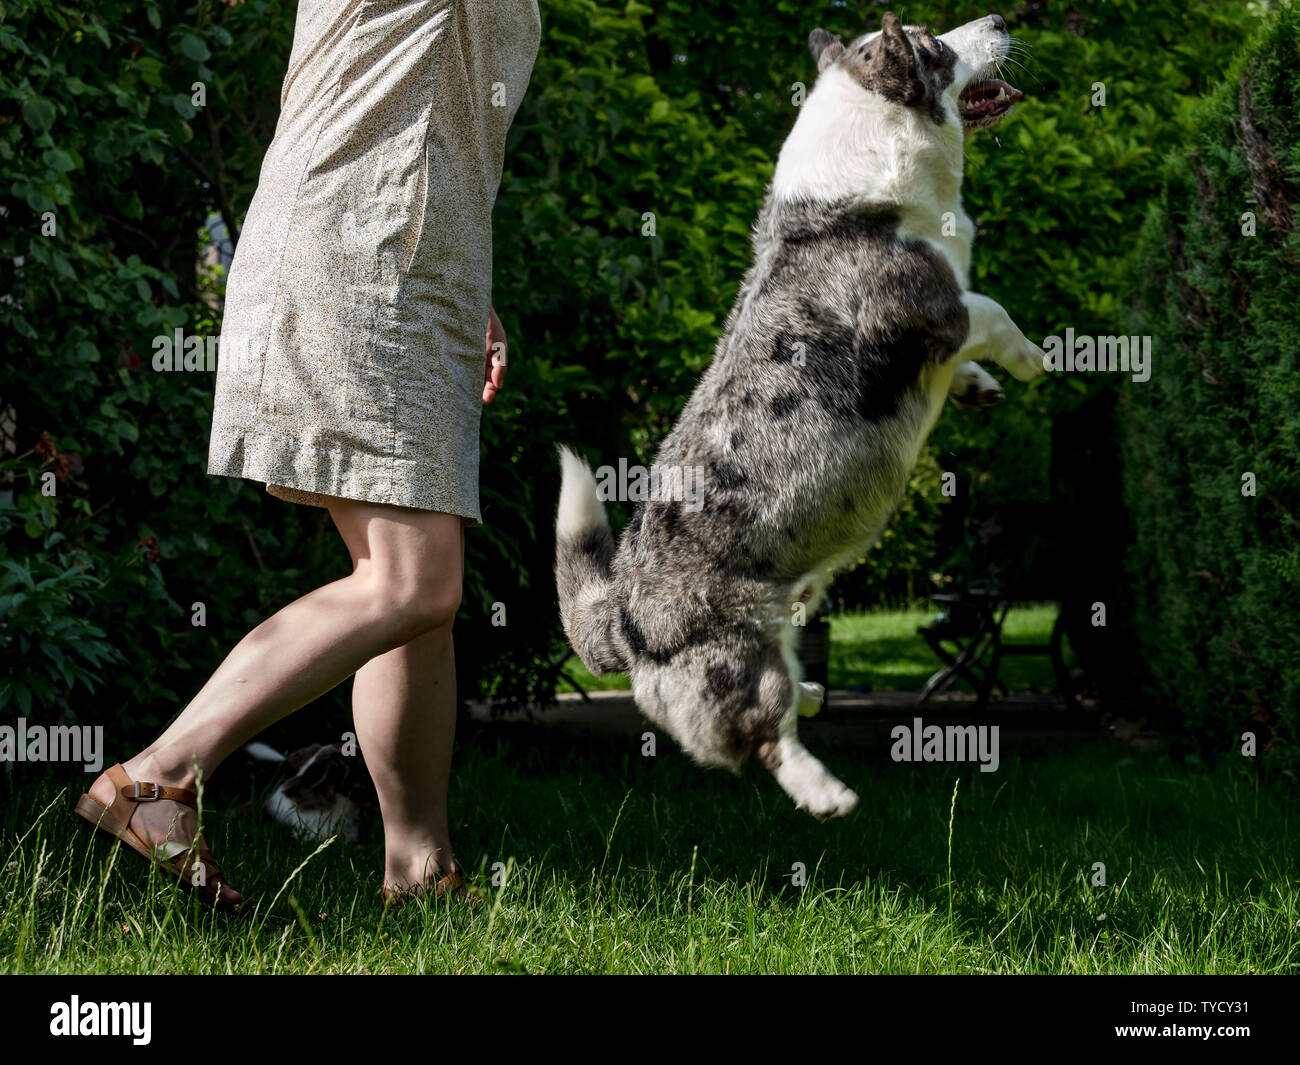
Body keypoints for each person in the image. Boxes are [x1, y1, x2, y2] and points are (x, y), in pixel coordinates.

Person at [73, 0, 543, 908]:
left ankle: (421, 868)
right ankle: (157, 776)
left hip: (410, 262)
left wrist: (465, 284)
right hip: (361, 256)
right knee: (414, 583)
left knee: (408, 595)